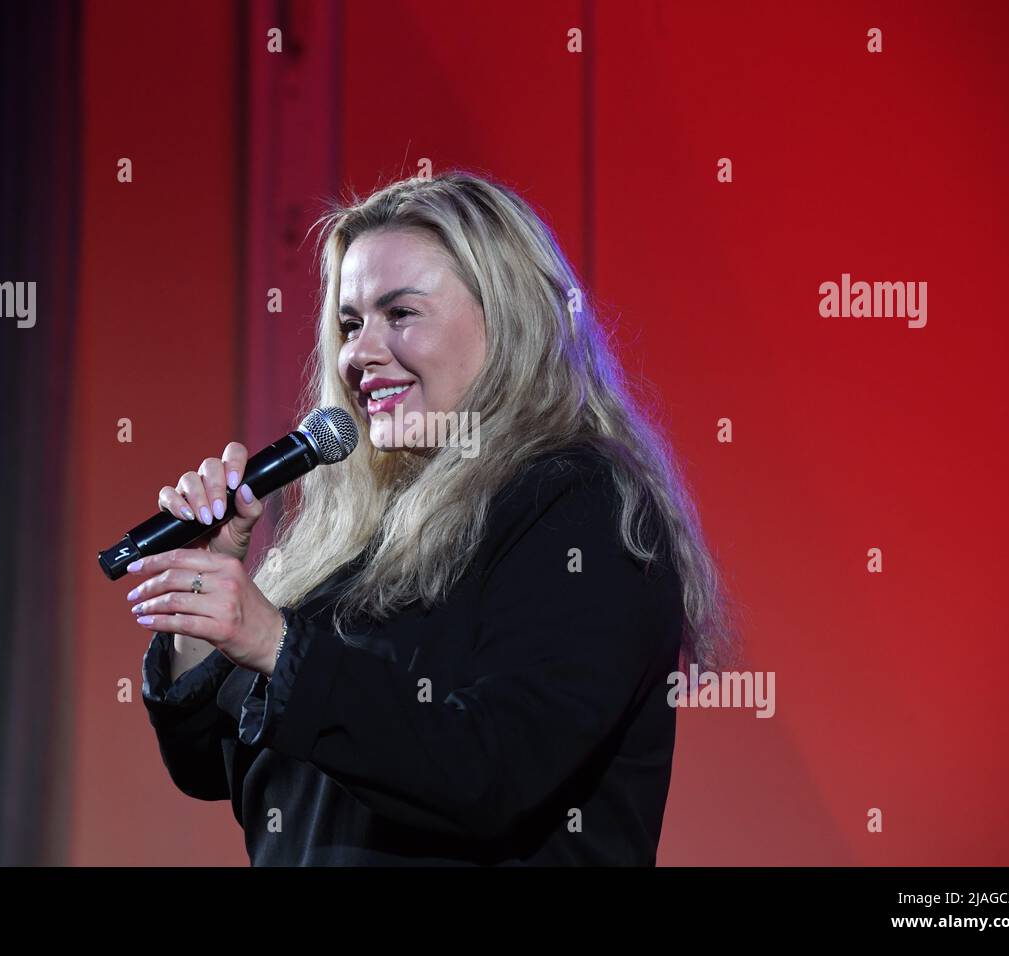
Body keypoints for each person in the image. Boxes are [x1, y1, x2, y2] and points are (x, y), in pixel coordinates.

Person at [126, 171, 737, 865]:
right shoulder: (353, 536)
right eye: (351, 323)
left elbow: (493, 769)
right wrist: (210, 588)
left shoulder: (581, 507)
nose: (359, 353)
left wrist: (276, 643)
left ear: (507, 320)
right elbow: (211, 766)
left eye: (401, 314)